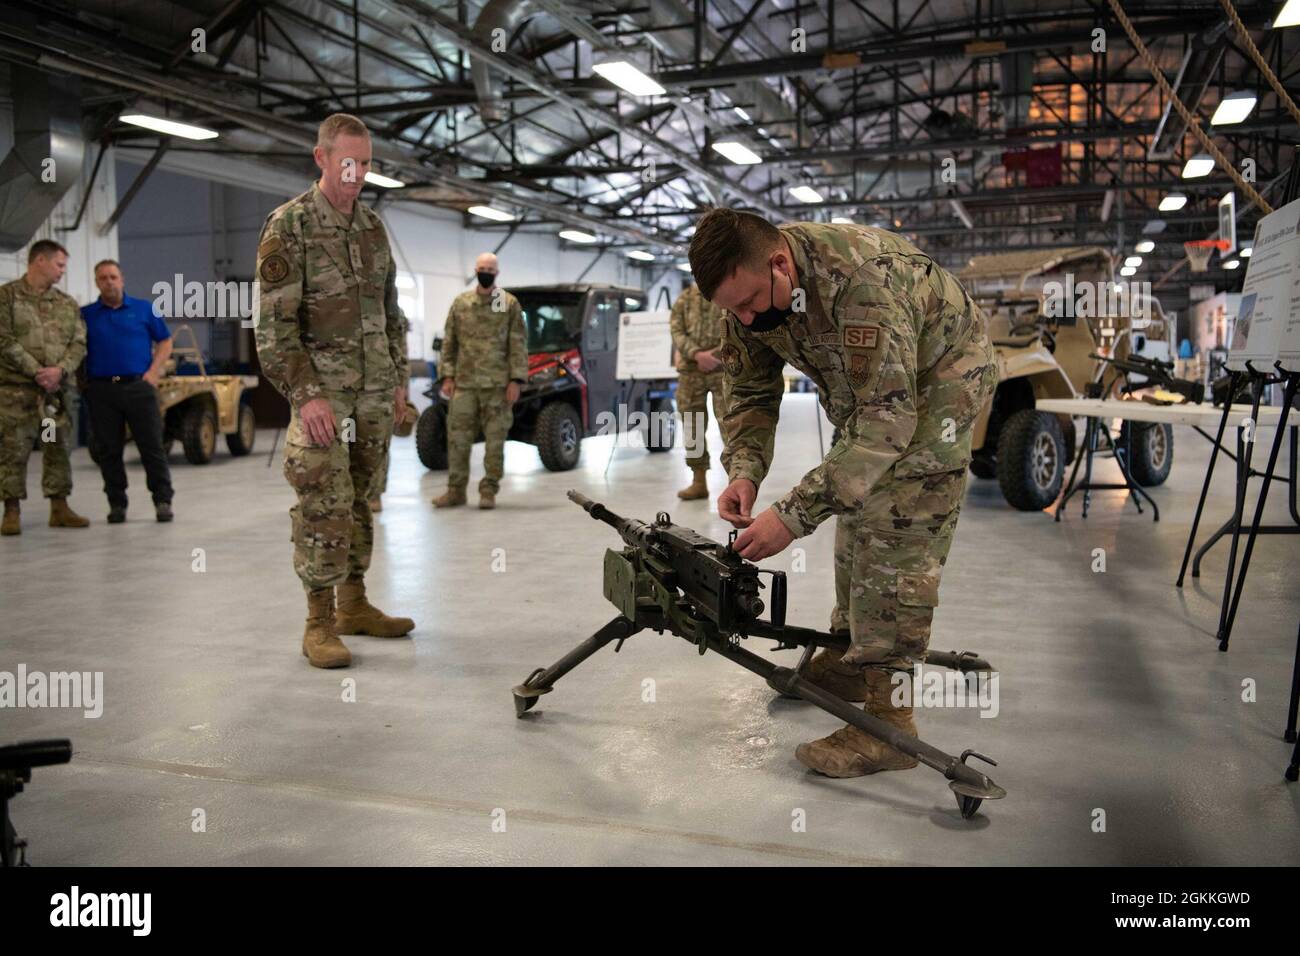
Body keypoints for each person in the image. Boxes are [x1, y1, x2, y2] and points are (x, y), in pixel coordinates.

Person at [689, 208, 996, 780]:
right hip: (869, 395)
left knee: (894, 537)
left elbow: (889, 423)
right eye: (732, 309)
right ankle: (853, 657)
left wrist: (793, 515)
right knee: (853, 507)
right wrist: (745, 470)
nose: (744, 318)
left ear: (780, 263)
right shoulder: (746, 295)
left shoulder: (861, 282)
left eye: (751, 302)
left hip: (940, 387)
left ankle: (892, 723)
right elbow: (750, 390)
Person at [254, 112, 414, 668]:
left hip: (373, 393)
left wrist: (398, 383)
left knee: (364, 500)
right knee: (324, 503)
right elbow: (274, 329)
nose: (357, 172)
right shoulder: (289, 226)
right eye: (347, 160)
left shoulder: (371, 227)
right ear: (321, 158)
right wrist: (307, 395)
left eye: (366, 162)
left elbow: (392, 314)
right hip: (323, 395)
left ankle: (355, 604)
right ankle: (318, 622)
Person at [0, 240, 89, 535]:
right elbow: (4, 341)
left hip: (53, 398)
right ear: (40, 261)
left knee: (55, 445)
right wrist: (37, 371)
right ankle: (11, 510)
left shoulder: (66, 304)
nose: (62, 271)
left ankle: (59, 507)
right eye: (59, 264)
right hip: (17, 394)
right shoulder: (7, 298)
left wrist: (59, 371)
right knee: (14, 450)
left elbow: (78, 343)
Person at [80, 259, 175, 523]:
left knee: (152, 446)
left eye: (112, 277)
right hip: (102, 391)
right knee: (108, 451)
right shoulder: (86, 315)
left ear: (122, 279)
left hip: (139, 388)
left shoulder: (144, 310)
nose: (108, 282)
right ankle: (117, 504)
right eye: (102, 278)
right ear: (96, 282)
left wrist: (154, 372)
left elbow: (165, 341)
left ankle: (163, 500)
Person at [432, 252, 526, 510]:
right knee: (457, 440)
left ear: (497, 272)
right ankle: (455, 490)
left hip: (498, 386)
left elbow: (518, 344)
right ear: (475, 270)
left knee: (495, 442)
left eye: (490, 268)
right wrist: (447, 376)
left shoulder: (508, 303)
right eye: (482, 267)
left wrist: (516, 379)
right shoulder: (461, 303)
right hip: (465, 384)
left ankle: (488, 490)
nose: (485, 271)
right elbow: (450, 342)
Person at [669, 281, 729, 501]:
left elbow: (739, 324)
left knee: (731, 426)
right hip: (691, 372)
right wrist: (697, 354)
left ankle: (738, 482)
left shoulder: (725, 291)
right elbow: (676, 331)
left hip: (723, 368)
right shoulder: (684, 300)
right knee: (692, 427)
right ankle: (699, 481)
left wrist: (717, 354)